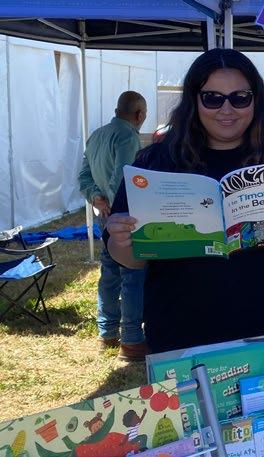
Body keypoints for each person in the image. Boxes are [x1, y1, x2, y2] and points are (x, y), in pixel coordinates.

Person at [104, 49, 264, 353]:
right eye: (212, 98)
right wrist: (122, 239)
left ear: (256, 100)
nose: (226, 109)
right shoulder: (154, 164)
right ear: (194, 101)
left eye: (240, 98)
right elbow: (131, 259)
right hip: (184, 338)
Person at [78, 91, 149, 361]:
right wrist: (118, 208)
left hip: (104, 212)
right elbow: (123, 177)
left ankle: (106, 332)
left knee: (109, 274)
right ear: (139, 115)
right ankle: (131, 340)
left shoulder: (97, 135)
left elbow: (83, 175)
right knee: (132, 276)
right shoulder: (128, 136)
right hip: (124, 215)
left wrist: (96, 197)